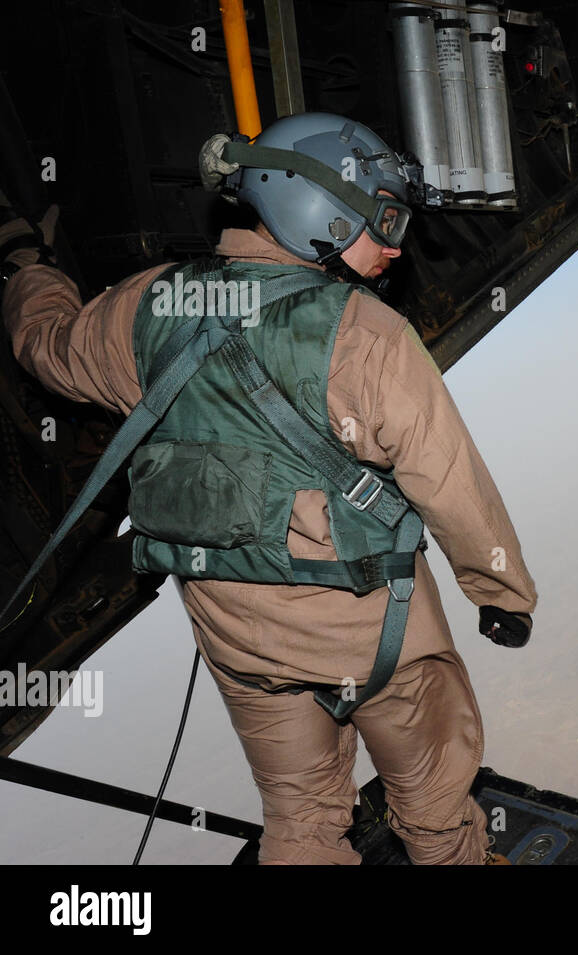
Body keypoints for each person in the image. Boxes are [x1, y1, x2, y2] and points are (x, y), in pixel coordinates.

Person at [0, 112, 538, 865]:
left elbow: (46, 347)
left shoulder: (148, 305)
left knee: (300, 819)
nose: (394, 246)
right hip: (373, 635)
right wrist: (502, 593)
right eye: (383, 221)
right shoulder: (366, 336)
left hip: (239, 636)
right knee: (434, 799)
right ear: (316, 209)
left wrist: (29, 268)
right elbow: (451, 483)